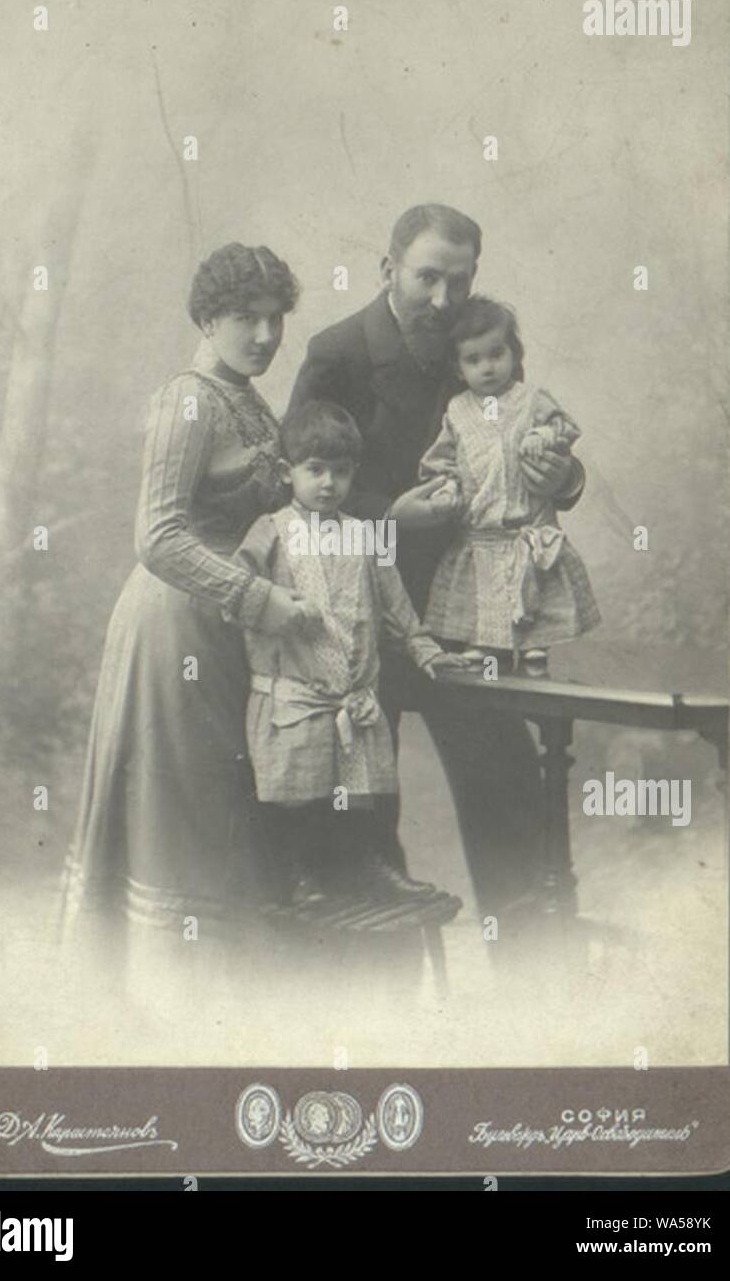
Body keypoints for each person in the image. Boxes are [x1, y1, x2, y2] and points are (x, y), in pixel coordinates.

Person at [286, 204, 586, 931]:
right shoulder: (339, 352)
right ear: (388, 269)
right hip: (362, 605)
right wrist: (389, 513)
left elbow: (525, 451)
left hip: (468, 604)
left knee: (506, 775)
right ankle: (381, 977)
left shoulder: (476, 344)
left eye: (458, 280)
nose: (442, 301)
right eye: (426, 278)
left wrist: (560, 474)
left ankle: (532, 955)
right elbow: (289, 477)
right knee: (361, 783)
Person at [61, 242, 312, 972]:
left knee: (219, 802)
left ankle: (219, 990)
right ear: (206, 318)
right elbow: (159, 535)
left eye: (274, 320)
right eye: (245, 318)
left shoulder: (244, 396)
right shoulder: (190, 397)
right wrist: (257, 597)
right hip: (175, 623)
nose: (264, 336)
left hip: (225, 625)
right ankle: (166, 992)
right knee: (182, 811)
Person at [233, 399, 468, 902]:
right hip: (296, 699)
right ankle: (295, 875)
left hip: (353, 698)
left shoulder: (364, 536)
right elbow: (236, 591)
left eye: (340, 472)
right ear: (285, 472)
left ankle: (364, 865)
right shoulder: (271, 532)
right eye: (314, 470)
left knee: (354, 801)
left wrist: (424, 647)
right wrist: (269, 604)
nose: (327, 484)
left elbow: (395, 605)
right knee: (297, 793)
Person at [420, 295, 600, 676]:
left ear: (514, 354)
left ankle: (535, 645)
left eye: (496, 354)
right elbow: (441, 461)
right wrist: (447, 486)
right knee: (485, 596)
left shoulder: (531, 399)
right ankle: (488, 647)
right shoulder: (457, 410)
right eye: (474, 360)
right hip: (480, 531)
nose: (487, 367)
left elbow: (567, 428)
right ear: (458, 366)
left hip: (526, 525)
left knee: (532, 587)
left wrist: (545, 434)